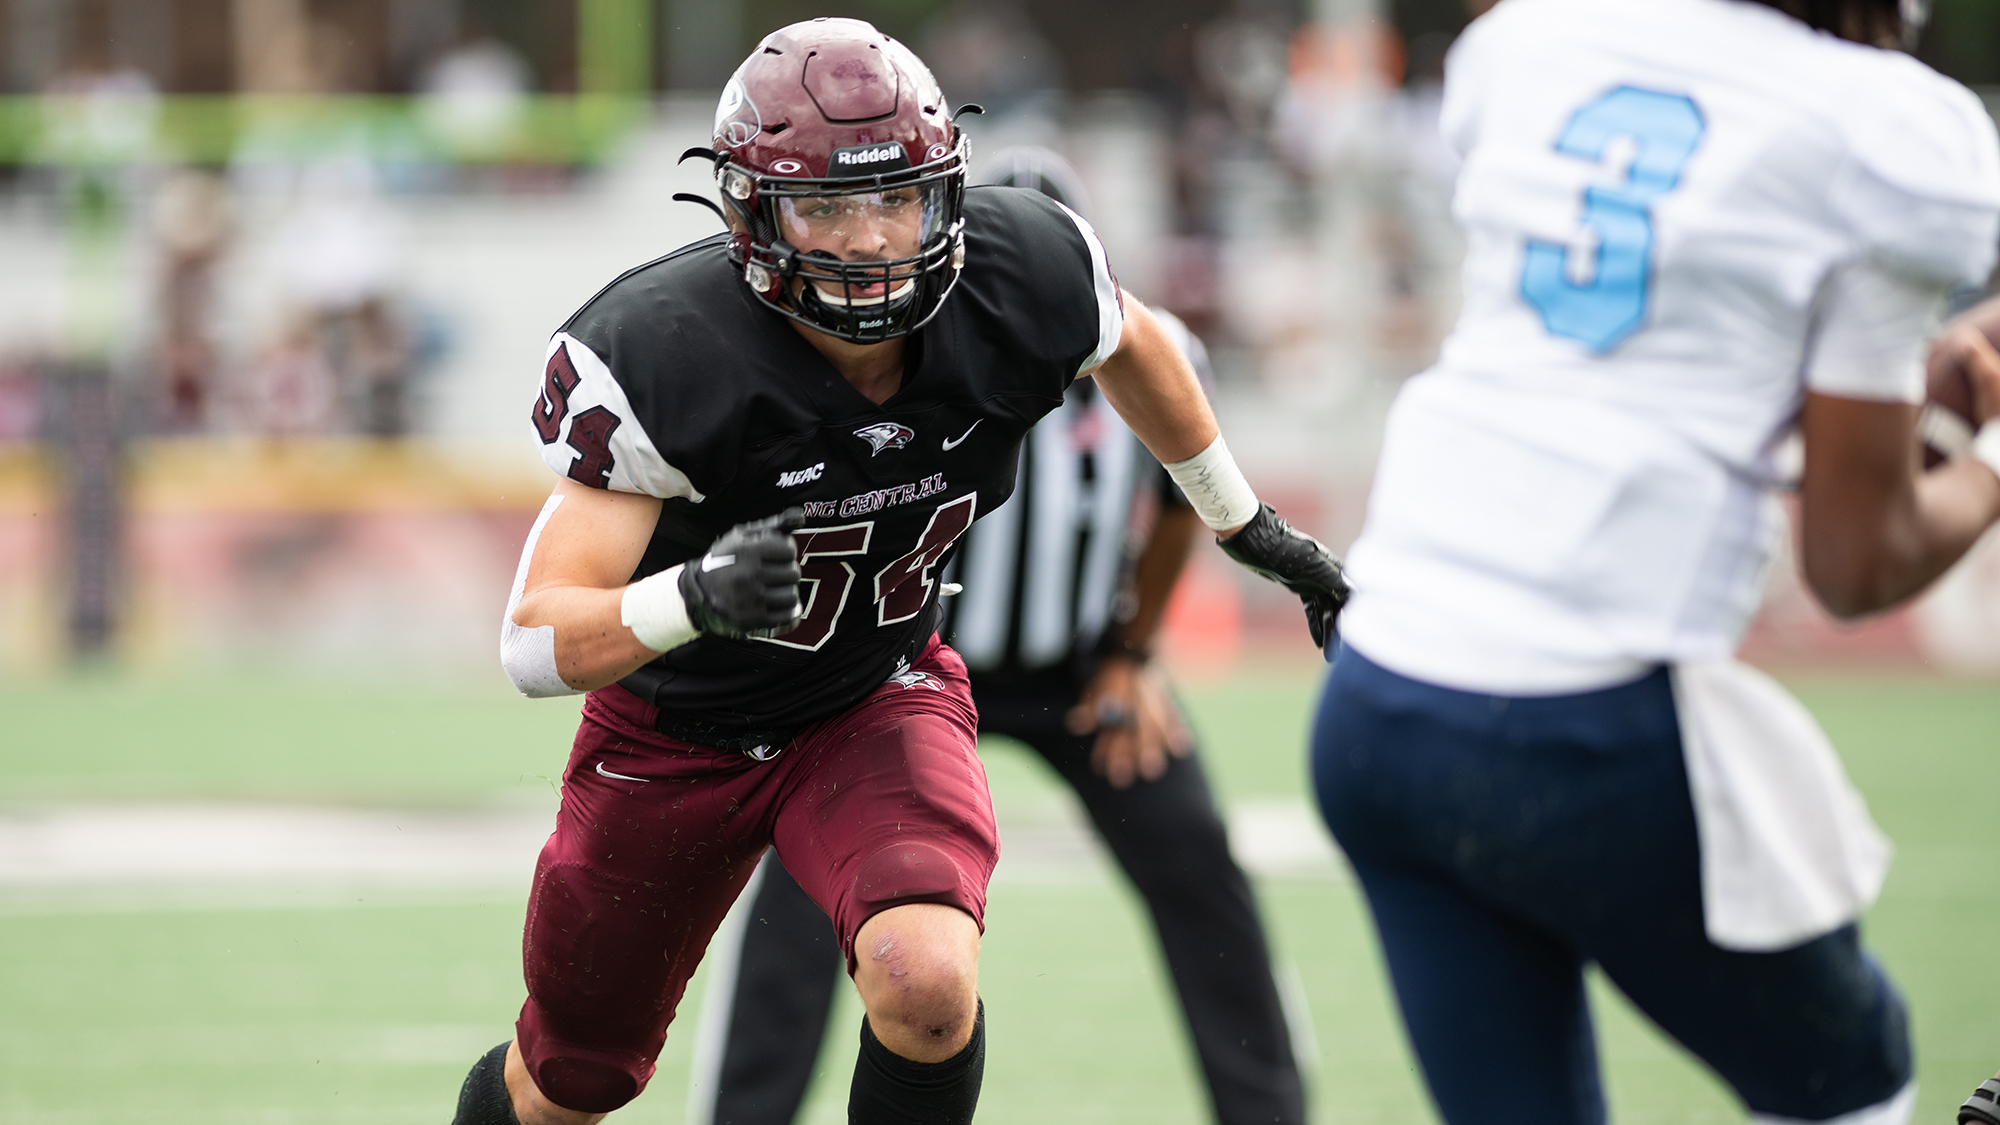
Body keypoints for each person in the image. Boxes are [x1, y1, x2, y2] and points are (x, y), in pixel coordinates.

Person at [454, 19, 1346, 1125]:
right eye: (826, 205)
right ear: (749, 213)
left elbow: (1137, 342)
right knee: (568, 1086)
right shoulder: (664, 348)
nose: (872, 238)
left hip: (870, 694)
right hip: (674, 733)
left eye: (896, 200)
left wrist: (1240, 523)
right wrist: (688, 598)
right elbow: (533, 641)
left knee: (925, 979)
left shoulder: (1023, 270)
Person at [1310, 0, 2000, 1121]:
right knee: (1850, 1080)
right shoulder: (1884, 133)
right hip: (1577, 723)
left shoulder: (1532, 41)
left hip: (1376, 703)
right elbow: (1852, 564)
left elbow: (1655, 343)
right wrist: (1986, 467)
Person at [683, 150, 1307, 1125]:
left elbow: (1183, 500)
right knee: (809, 880)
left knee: (1197, 864)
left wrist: (1133, 653)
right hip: (898, 666)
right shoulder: (890, 343)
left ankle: (1267, 1110)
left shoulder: (1146, 348)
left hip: (1076, 667)